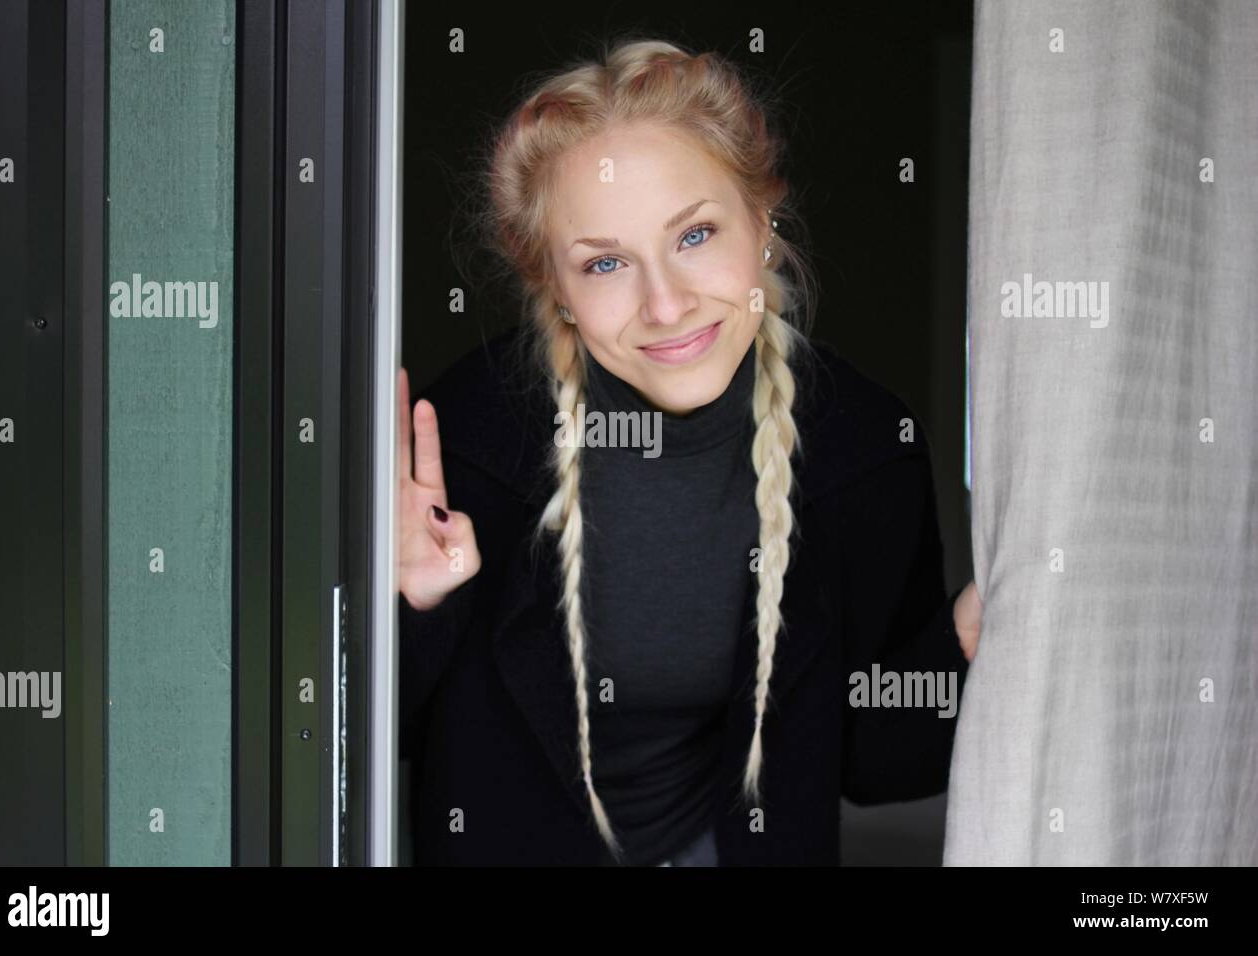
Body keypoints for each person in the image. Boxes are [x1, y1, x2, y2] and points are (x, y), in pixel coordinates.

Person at [398, 37, 983, 867]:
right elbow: (364, 745)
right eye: (605, 262)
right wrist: (413, 611)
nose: (666, 304)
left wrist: (964, 641)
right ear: (553, 288)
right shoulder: (464, 442)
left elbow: (871, 759)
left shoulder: (863, 449)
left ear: (762, 222)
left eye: (696, 234)